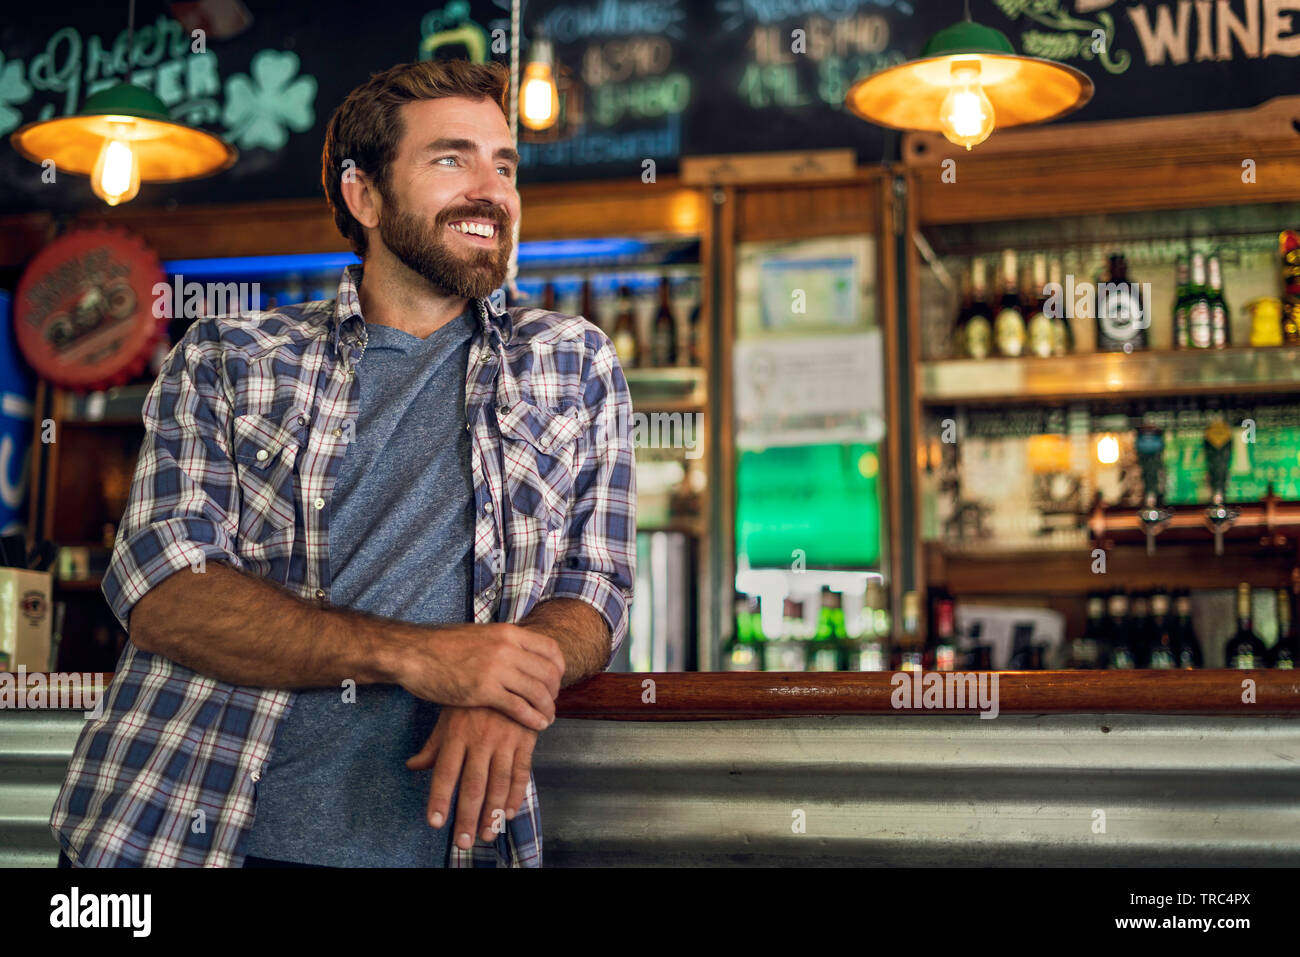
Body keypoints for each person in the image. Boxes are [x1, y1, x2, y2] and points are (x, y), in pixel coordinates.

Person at [48, 59, 636, 868]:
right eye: (450, 159)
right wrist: (427, 656)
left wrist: (509, 682)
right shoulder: (228, 354)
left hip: (444, 847)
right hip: (187, 826)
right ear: (363, 196)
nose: (491, 189)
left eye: (504, 165)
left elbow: (594, 588)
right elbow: (164, 591)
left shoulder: (573, 363)